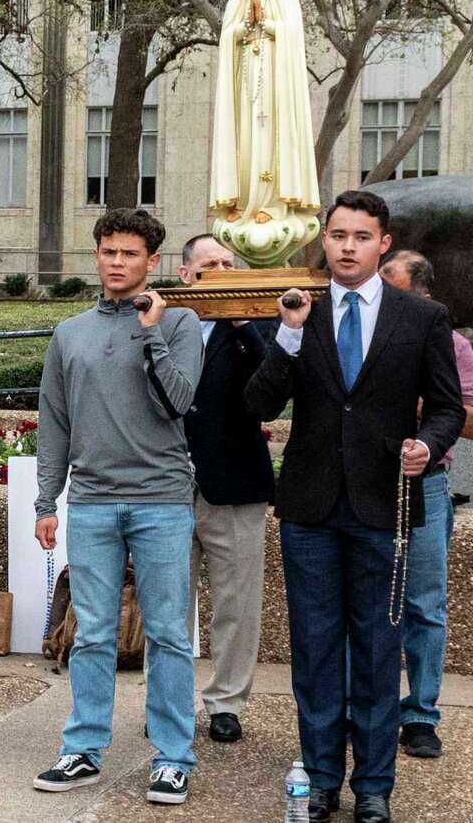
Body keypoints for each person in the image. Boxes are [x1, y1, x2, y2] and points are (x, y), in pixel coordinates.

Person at [244, 191, 465, 823]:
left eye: (360, 236)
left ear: (382, 244)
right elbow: (258, 405)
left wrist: (429, 442)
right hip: (310, 509)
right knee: (314, 651)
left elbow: (448, 405)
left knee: (375, 650)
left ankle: (373, 787)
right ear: (325, 241)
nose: (346, 246)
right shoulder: (298, 314)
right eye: (337, 235)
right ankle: (319, 781)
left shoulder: (421, 318)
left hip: (385, 508)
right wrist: (286, 337)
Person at [30, 209, 203, 806]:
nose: (117, 262)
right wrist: (44, 500)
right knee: (94, 633)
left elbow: (178, 402)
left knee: (167, 635)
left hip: (161, 500)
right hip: (94, 502)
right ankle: (82, 747)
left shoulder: (180, 323)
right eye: (109, 251)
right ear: (97, 255)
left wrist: (150, 329)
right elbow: (53, 422)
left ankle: (174, 756)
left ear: (152, 261)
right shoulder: (70, 333)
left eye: (130, 253)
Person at [380, 249, 473, 761]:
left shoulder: (451, 345)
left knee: (425, 604)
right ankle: (370, 707)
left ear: (420, 293)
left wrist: (421, 397)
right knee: (368, 603)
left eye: (390, 283)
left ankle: (421, 714)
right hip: (365, 484)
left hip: (425, 485)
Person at [177, 234, 274, 745]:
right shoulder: (164, 323)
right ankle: (168, 700)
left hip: (235, 485)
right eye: (211, 264)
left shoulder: (257, 326)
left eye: (229, 263)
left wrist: (243, 325)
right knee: (170, 603)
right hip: (166, 488)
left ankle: (226, 702)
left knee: (238, 604)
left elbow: (272, 396)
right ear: (187, 273)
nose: (222, 270)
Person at [209, 0, 320, 267]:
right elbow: (227, 38)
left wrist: (268, 24)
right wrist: (243, 27)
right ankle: (244, 203)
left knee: (273, 143)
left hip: (276, 89)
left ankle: (273, 204)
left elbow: (293, 37)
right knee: (246, 143)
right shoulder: (235, 1)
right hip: (245, 89)